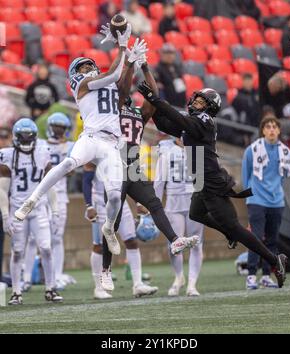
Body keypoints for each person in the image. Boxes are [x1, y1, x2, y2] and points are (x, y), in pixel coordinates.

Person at [138, 82, 289, 288]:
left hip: (211, 182)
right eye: (196, 99)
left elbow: (180, 119)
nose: (196, 103)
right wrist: (152, 106)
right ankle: (230, 233)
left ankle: (274, 260)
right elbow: (166, 124)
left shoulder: (205, 120)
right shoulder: (194, 121)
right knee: (196, 214)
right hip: (201, 180)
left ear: (209, 108)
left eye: (201, 102)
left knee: (235, 227)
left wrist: (156, 99)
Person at [14, 26, 147, 257]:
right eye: (82, 67)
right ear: (75, 74)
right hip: (91, 137)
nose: (87, 69)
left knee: (115, 195)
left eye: (89, 66)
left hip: (111, 144)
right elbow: (113, 75)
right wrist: (123, 46)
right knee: (68, 164)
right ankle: (32, 199)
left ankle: (108, 227)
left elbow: (123, 87)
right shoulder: (81, 85)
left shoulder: (106, 84)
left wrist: (132, 63)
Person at [82, 46, 199, 291]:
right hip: (114, 164)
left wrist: (145, 66)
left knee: (154, 203)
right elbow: (123, 87)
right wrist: (131, 64)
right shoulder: (111, 110)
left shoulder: (138, 112)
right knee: (111, 224)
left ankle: (175, 240)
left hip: (132, 163)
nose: (127, 94)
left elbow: (153, 99)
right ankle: (105, 271)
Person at [0, 118, 62, 305]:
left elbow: (50, 184)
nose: (26, 140)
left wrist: (55, 211)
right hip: (18, 212)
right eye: (23, 137)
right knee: (17, 251)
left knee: (46, 248)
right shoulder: (7, 155)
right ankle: (16, 292)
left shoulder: (43, 153)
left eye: (29, 137)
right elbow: (2, 189)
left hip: (39, 209)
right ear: (16, 137)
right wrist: (5, 216)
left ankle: (51, 288)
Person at [83, 162, 158, 298]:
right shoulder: (95, 148)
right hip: (100, 203)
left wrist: (138, 202)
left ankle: (138, 284)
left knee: (131, 241)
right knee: (99, 245)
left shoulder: (121, 149)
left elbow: (131, 179)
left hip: (120, 202)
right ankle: (98, 288)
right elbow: (87, 180)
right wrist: (89, 205)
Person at [242, 116, 290, 289]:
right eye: (268, 127)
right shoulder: (252, 149)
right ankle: (251, 275)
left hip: (276, 202)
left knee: (272, 240)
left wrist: (276, 191)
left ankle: (266, 275)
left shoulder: (285, 151)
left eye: (274, 127)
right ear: (263, 130)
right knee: (255, 239)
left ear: (279, 130)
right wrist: (248, 197)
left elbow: (285, 175)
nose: (271, 129)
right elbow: (246, 174)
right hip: (256, 199)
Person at [23, 113, 73, 291]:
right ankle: (26, 277)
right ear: (51, 127)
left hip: (60, 196)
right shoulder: (40, 144)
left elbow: (73, 171)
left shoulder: (70, 146)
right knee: (31, 238)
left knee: (57, 238)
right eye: (56, 126)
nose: (59, 130)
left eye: (61, 127)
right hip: (42, 194)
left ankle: (57, 276)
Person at [154, 136, 204, 296]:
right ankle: (179, 277)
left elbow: (205, 181)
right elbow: (159, 182)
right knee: (174, 245)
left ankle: (192, 284)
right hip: (174, 202)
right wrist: (152, 206)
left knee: (196, 243)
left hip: (194, 202)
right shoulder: (166, 152)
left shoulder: (198, 151)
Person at [155, 43, 186, 109]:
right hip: (168, 103)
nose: (170, 56)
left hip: (180, 101)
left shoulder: (176, 67)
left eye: (172, 53)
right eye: (167, 53)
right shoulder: (158, 68)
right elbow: (157, 85)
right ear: (162, 54)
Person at [0, 127, 12, 282]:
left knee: (2, 240)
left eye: (5, 137)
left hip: (5, 203)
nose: (2, 141)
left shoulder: (10, 156)